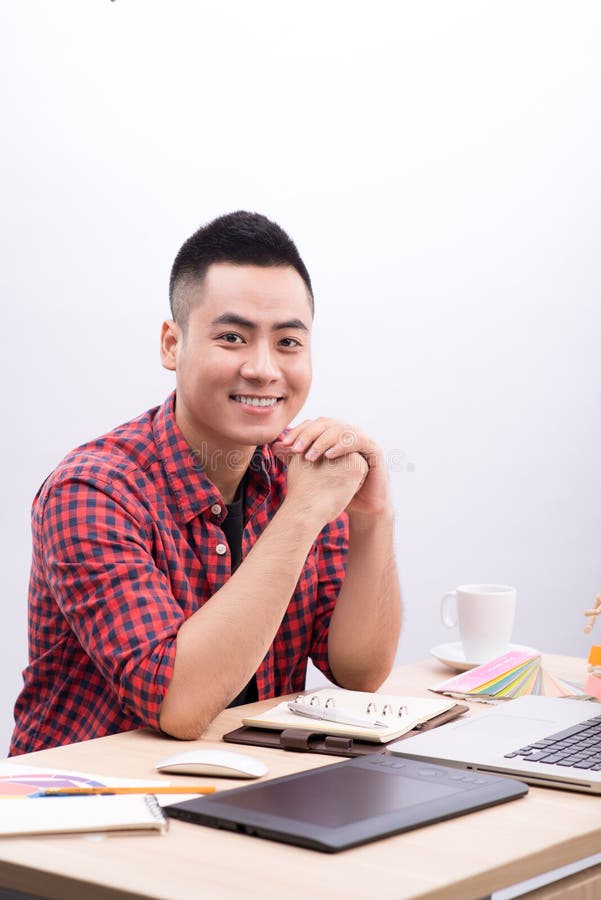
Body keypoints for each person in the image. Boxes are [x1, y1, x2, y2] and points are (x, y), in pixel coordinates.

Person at [10, 211, 401, 755]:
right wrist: (302, 515)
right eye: (233, 337)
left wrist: (371, 517)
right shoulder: (92, 491)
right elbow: (181, 706)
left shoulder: (301, 471)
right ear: (172, 345)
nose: (264, 368)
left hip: (250, 793)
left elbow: (359, 672)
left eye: (288, 342)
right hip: (89, 810)